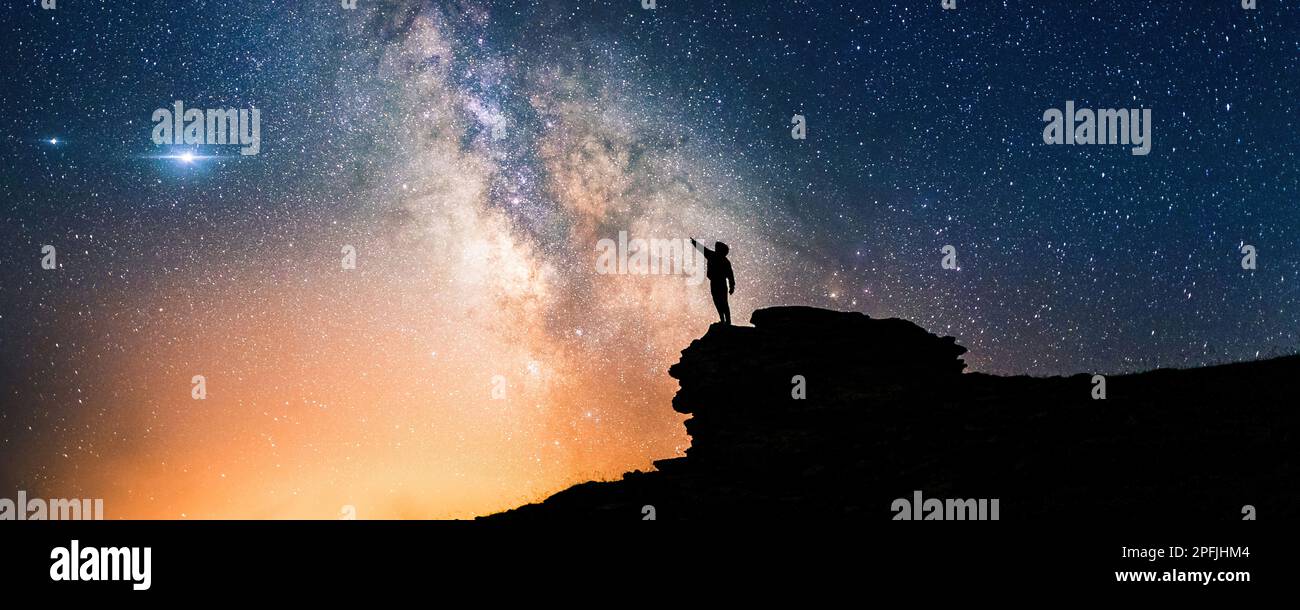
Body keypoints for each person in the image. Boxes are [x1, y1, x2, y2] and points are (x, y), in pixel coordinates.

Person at [690, 237, 735, 324]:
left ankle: (727, 321)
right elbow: (702, 249)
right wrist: (694, 242)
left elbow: (730, 275)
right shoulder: (714, 256)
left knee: (722, 302)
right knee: (718, 301)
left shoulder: (721, 259)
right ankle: (723, 320)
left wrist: (732, 286)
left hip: (719, 282)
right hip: (715, 282)